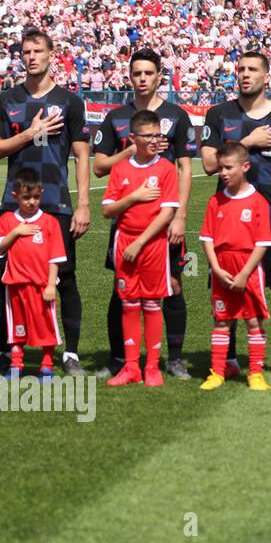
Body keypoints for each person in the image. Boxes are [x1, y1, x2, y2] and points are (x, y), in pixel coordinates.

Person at [0, 27, 90, 375]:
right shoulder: (7, 100)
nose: (31, 57)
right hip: (14, 205)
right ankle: (6, 352)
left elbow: (81, 154)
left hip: (57, 203)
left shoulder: (70, 102)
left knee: (66, 277)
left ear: (50, 55)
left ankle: (69, 353)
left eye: (37, 51)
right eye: (26, 52)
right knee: (9, 279)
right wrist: (29, 133)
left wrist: (84, 204)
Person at [200, 52, 271, 381]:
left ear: (267, 76)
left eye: (253, 69)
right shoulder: (218, 115)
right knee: (227, 289)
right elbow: (208, 164)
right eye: (241, 69)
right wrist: (248, 142)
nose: (245, 75)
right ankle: (229, 360)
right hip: (228, 225)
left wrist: (267, 187)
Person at [92, 48, 196, 379]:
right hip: (127, 221)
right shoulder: (116, 117)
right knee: (121, 289)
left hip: (164, 217)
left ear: (158, 77)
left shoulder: (176, 116)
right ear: (129, 76)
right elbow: (99, 167)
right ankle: (120, 359)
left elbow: (185, 167)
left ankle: (174, 358)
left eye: (148, 73)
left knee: (174, 284)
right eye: (137, 73)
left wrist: (179, 216)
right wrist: (133, 147)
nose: (142, 79)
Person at [100, 109, 180, 387]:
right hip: (124, 242)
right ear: (133, 138)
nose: (154, 140)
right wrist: (134, 197)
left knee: (152, 302)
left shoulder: (167, 169)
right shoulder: (121, 169)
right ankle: (131, 367)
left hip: (152, 244)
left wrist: (140, 241)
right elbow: (108, 210)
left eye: (158, 135)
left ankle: (152, 368)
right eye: (148, 136)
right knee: (129, 302)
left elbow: (167, 213)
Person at [198, 141, 271, 392]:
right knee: (222, 321)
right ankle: (217, 373)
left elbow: (263, 243)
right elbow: (207, 238)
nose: (223, 173)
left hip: (249, 269)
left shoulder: (258, 201)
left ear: (245, 166)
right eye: (221, 168)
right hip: (222, 267)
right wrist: (216, 269)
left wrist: (244, 274)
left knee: (253, 321)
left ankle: (255, 374)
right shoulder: (215, 201)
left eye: (228, 167)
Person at [0, 167, 66, 379]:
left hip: (41, 286)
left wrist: (51, 285)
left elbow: (55, 257)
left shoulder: (49, 222)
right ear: (15, 196)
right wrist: (16, 232)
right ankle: (16, 365)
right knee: (17, 328)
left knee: (45, 327)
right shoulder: (7, 220)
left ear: (41, 193)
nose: (31, 202)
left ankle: (47, 365)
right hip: (15, 285)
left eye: (35, 197)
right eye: (26, 198)